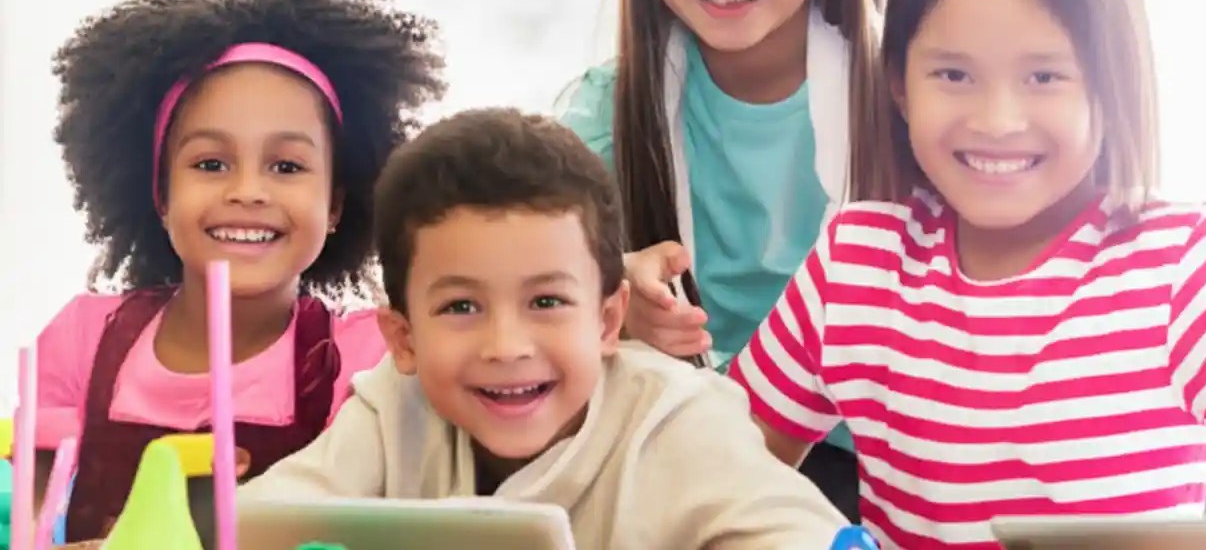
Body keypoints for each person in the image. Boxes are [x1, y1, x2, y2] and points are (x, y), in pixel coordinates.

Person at [729, 0, 1206, 549]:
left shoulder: (1186, 264)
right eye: (954, 75)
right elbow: (722, 482)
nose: (996, 121)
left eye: (1045, 77)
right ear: (900, 84)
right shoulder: (855, 264)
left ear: (1112, 83)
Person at [240, 108, 852, 550]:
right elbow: (256, 525)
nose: (507, 347)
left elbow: (800, 534)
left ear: (608, 319)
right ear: (403, 339)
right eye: (461, 308)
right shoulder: (390, 410)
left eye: (547, 301)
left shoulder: (678, 422)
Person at [36, 0, 446, 542]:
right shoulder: (85, 338)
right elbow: (32, 505)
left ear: (335, 205)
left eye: (287, 166)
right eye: (210, 164)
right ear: (159, 193)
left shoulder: (363, 361)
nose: (248, 190)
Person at [558, 0, 883, 516]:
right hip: (687, 458)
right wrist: (613, 296)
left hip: (878, 467)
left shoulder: (906, 102)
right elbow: (532, 285)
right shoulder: (606, 112)